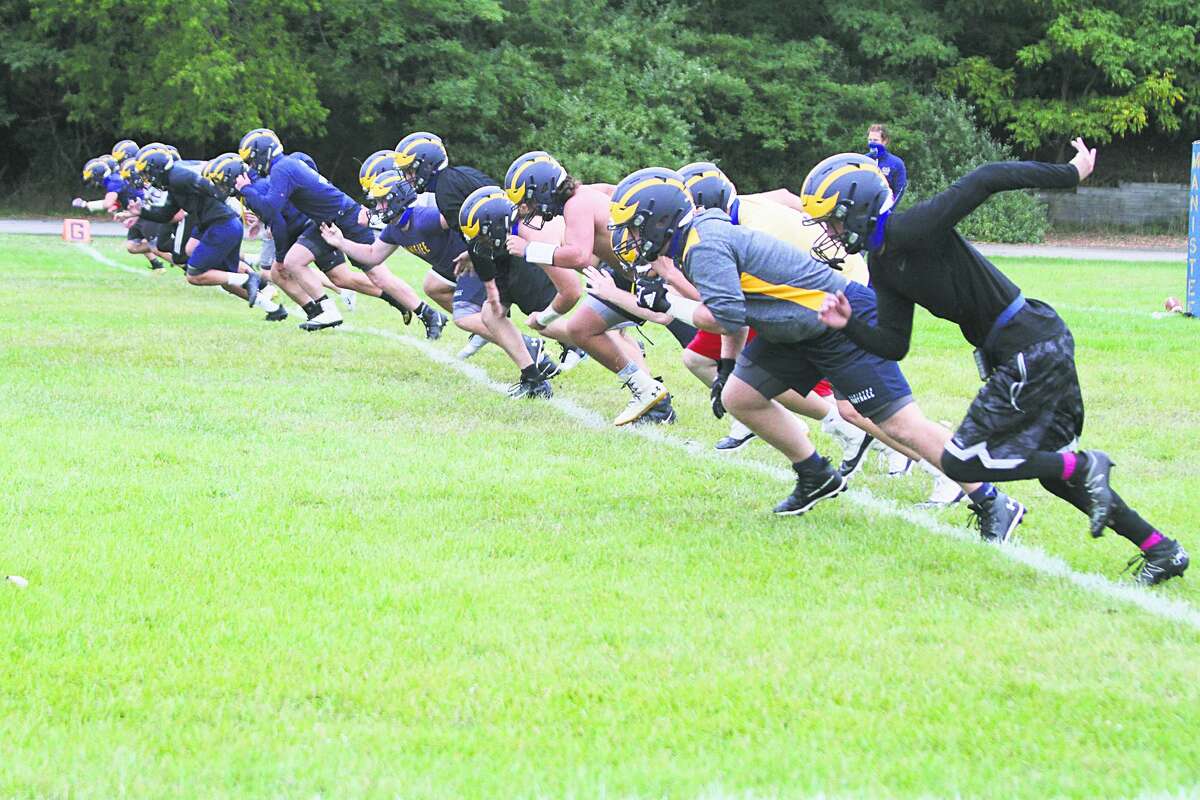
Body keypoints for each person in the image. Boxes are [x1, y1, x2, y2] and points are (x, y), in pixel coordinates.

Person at [804, 139, 1188, 585]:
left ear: (859, 208)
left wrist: (1071, 174)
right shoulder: (884, 265)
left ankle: (1085, 467)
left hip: (1030, 344)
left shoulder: (914, 228)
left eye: (831, 220)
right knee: (1052, 471)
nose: (829, 232)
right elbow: (894, 344)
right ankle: (1162, 550)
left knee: (965, 463)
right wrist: (848, 323)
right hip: (1025, 345)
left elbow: (988, 177)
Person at [598, 167, 1020, 532]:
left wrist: (668, 303)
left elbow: (726, 315)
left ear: (660, 222)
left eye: (635, 227)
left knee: (901, 425)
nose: (629, 237)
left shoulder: (702, 245)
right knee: (740, 396)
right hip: (798, 328)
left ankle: (991, 499)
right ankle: (815, 474)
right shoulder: (699, 238)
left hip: (839, 322)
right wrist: (727, 365)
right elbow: (741, 304)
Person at [320, 169, 579, 376]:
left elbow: (462, 218)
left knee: (467, 316)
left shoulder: (424, 217)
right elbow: (372, 256)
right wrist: (340, 243)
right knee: (435, 288)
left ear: (397, 198)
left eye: (381, 200)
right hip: (455, 266)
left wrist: (475, 248)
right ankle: (534, 344)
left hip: (477, 263)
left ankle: (536, 345)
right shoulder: (395, 228)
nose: (377, 207)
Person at [504, 150, 685, 425]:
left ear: (542, 189)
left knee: (704, 353)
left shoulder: (577, 203)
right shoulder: (582, 197)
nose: (527, 209)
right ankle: (650, 395)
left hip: (656, 276)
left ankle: (752, 405)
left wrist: (530, 250)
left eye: (528, 200)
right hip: (630, 275)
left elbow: (578, 255)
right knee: (580, 329)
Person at [393, 132, 583, 391]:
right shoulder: (459, 176)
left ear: (426, 165)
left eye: (410, 171)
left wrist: (488, 281)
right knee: (491, 316)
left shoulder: (446, 191)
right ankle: (533, 379)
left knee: (542, 320)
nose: (408, 178)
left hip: (513, 250)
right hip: (504, 247)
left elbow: (479, 235)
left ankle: (599, 339)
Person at [235, 129, 446, 335]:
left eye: (252, 160)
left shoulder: (282, 168)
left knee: (378, 276)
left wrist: (246, 189)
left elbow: (271, 208)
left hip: (345, 218)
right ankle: (327, 311)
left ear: (261, 154)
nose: (253, 166)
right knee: (295, 262)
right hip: (326, 222)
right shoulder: (288, 164)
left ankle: (426, 313)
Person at [120, 145, 279, 315]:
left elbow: (215, 189)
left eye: (146, 172)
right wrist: (140, 212)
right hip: (215, 224)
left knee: (195, 274)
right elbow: (166, 215)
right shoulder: (173, 181)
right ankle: (273, 308)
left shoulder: (180, 176)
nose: (146, 178)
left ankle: (250, 278)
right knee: (219, 275)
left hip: (221, 225)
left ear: (157, 168)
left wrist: (240, 210)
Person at [73, 156, 168, 270]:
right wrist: (123, 211)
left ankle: (183, 264)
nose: (93, 182)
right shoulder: (115, 179)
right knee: (132, 246)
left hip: (144, 213)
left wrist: (86, 204)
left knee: (156, 246)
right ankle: (158, 263)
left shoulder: (114, 181)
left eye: (92, 178)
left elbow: (108, 202)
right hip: (137, 212)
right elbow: (123, 196)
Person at [866, 124, 907, 205]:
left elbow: (899, 191)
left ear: (884, 141)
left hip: (884, 208)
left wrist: (889, 209)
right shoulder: (863, 160)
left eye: (875, 140)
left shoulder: (896, 163)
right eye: (870, 140)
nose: (872, 143)